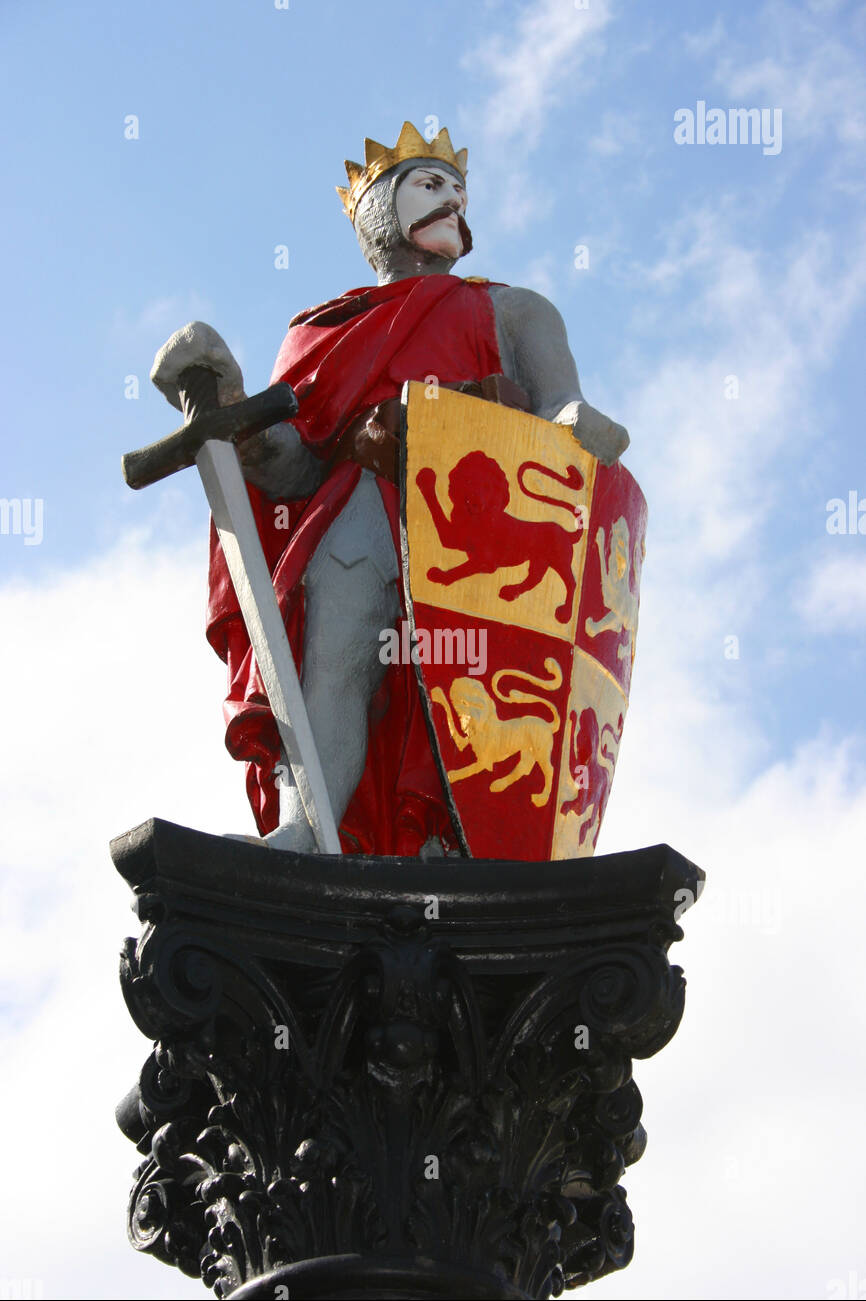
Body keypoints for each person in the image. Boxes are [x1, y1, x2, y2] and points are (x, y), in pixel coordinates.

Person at [151, 122, 629, 855]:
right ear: (381, 210)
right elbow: (294, 466)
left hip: (482, 521)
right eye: (431, 186)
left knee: (466, 676)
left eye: (459, 191)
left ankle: (459, 842)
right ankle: (309, 829)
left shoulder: (515, 310)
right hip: (365, 502)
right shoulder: (323, 329)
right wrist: (229, 397)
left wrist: (569, 420)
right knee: (335, 663)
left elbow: (559, 405)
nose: (454, 203)